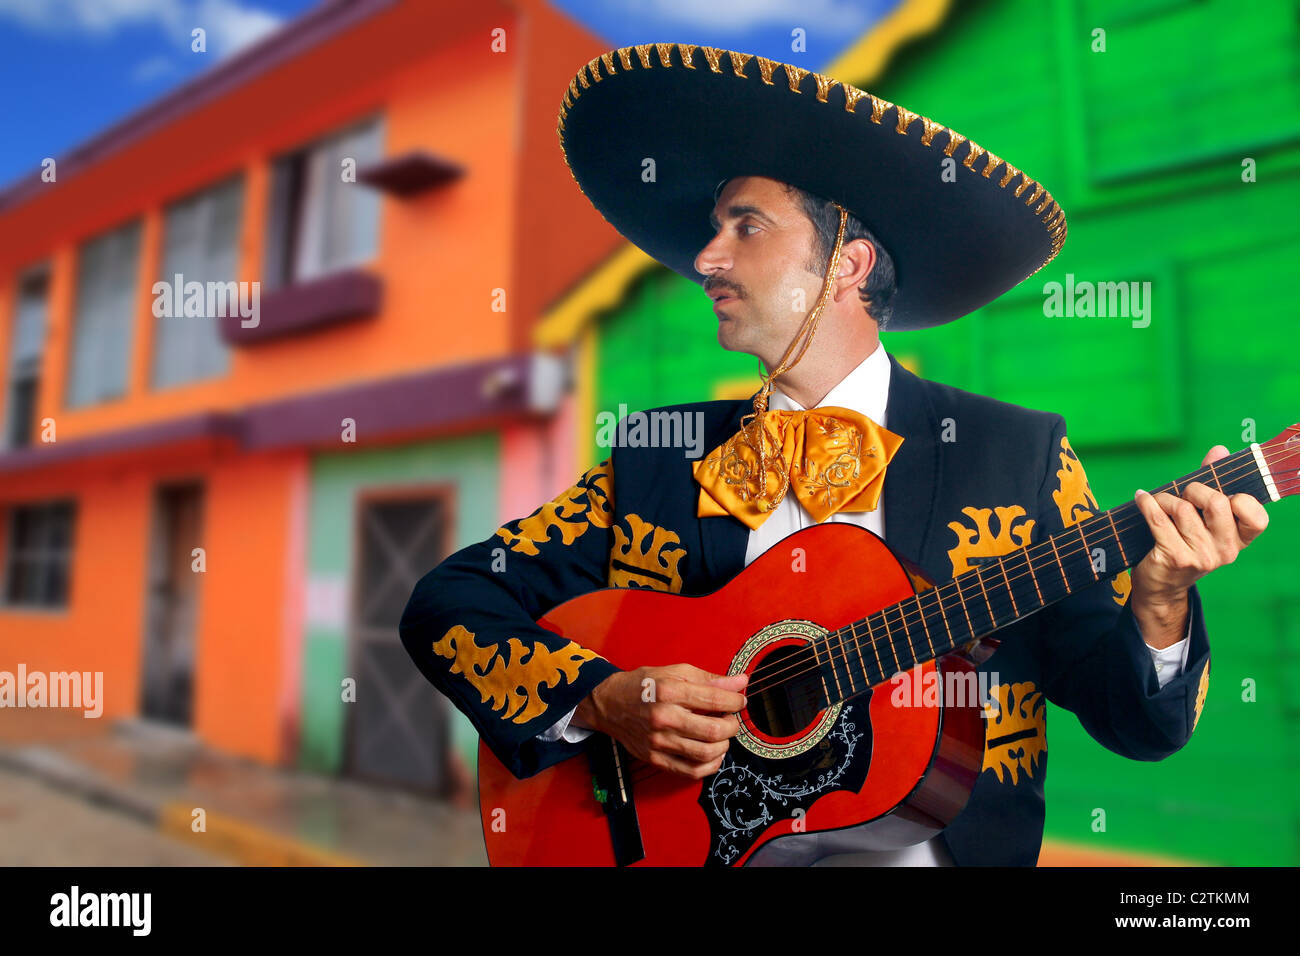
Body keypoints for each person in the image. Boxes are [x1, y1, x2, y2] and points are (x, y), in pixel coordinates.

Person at [398, 44, 1269, 865]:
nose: (705, 257)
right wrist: (600, 697)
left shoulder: (1019, 455)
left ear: (846, 264)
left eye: (746, 226)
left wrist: (1159, 606)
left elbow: (1137, 725)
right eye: (713, 229)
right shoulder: (656, 458)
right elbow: (448, 601)